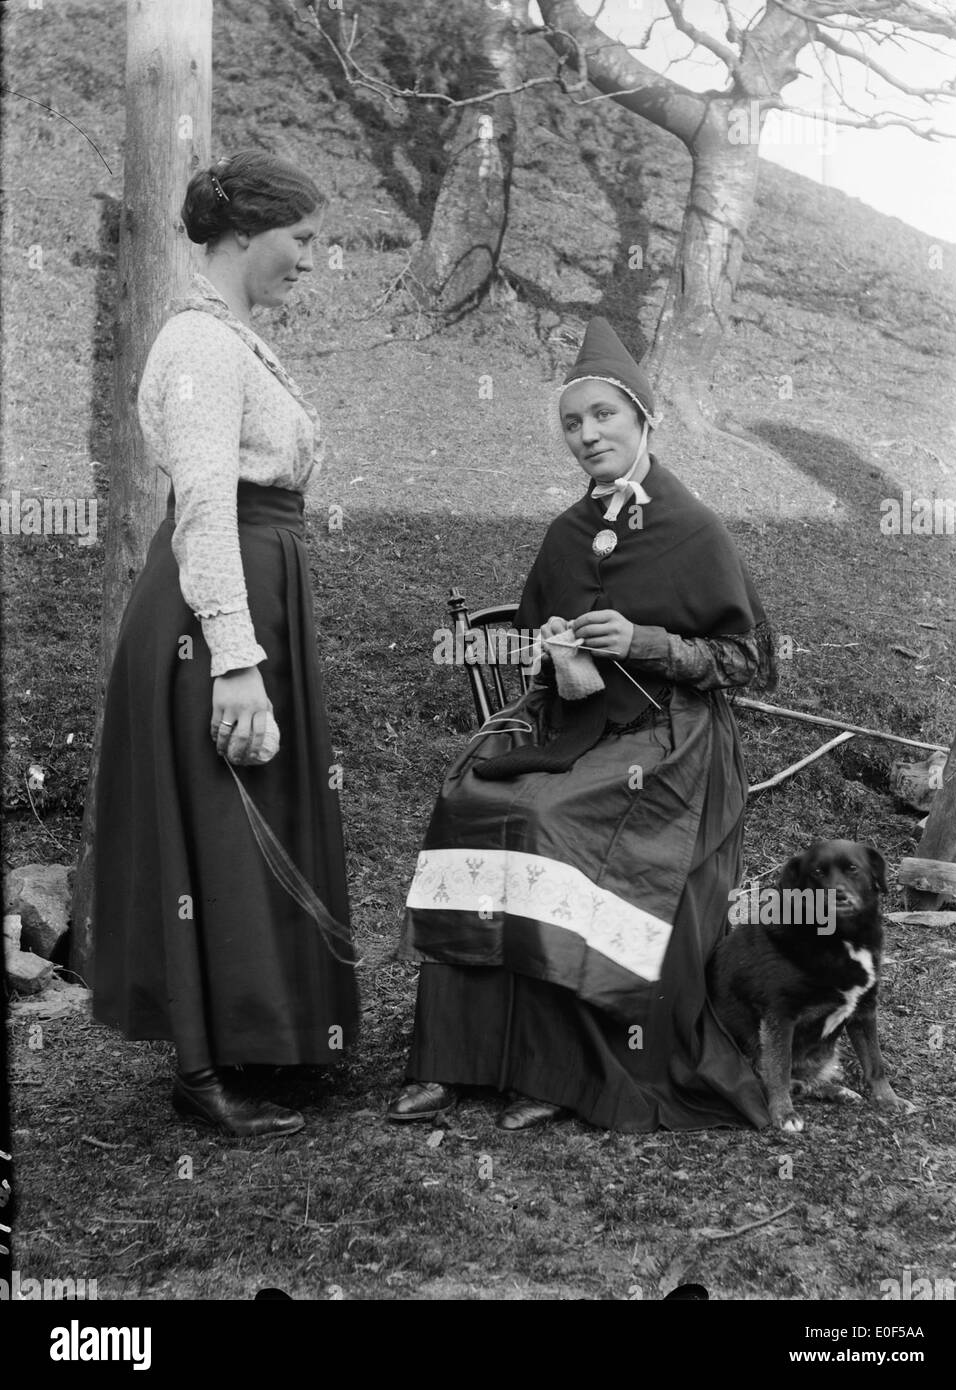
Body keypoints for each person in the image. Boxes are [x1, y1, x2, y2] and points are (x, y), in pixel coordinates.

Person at [389, 318, 777, 1132]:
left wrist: (650, 643)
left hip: (673, 741)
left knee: (546, 820)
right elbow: (538, 647)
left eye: (603, 415)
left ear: (641, 418)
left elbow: (748, 662)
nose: (588, 433)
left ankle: (558, 1069)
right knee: (472, 804)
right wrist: (558, 651)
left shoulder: (694, 527)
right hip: (570, 726)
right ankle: (453, 1059)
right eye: (573, 422)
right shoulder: (566, 533)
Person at [92, 150, 357, 1138]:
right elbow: (202, 507)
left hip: (257, 585)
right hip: (214, 607)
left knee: (257, 817)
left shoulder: (236, 338)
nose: (307, 260)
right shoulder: (200, 347)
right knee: (214, 820)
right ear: (244, 233)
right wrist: (235, 659)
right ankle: (202, 1071)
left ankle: (264, 1036)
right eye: (300, 240)